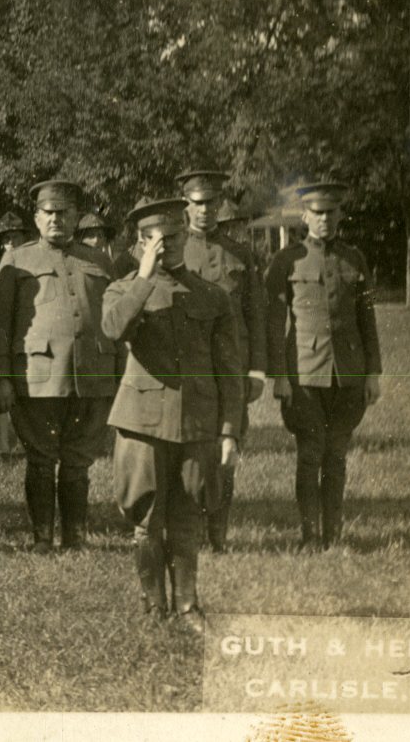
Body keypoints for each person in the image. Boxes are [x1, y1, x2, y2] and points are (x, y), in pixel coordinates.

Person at [103, 196, 241, 632]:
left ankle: (187, 606)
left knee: (187, 515)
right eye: (157, 240)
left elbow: (229, 372)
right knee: (146, 518)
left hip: (195, 418)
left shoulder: (212, 295)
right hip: (140, 420)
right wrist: (143, 279)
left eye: (176, 236)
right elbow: (114, 331)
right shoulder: (123, 288)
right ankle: (153, 607)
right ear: (139, 245)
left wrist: (230, 431)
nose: (169, 246)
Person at [0, 179, 119, 551]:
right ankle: (42, 537)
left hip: (92, 375)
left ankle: (74, 537)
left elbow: (117, 320)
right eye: (49, 213)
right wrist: (0, 376)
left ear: (77, 217)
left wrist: (119, 374)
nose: (56, 219)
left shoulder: (100, 261)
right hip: (38, 377)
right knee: (42, 459)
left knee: (79, 461)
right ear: (37, 218)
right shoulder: (16, 260)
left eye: (64, 213)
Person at [260, 180, 383, 551]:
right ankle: (310, 536)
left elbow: (367, 319)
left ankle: (334, 535)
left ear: (340, 214)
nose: (324, 219)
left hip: (348, 372)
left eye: (331, 212)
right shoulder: (286, 261)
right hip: (304, 373)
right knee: (310, 453)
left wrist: (373, 373)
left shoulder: (354, 259)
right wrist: (279, 376)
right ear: (304, 216)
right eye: (317, 212)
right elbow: (272, 323)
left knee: (337, 456)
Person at [173, 169, 266, 551]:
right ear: (186, 207)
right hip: (189, 370)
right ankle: (191, 532)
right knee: (192, 452)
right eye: (197, 204)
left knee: (226, 451)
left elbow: (256, 315)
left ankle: (219, 535)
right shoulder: (174, 249)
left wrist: (258, 369)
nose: (205, 211)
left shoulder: (240, 254)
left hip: (232, 369)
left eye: (211, 203)